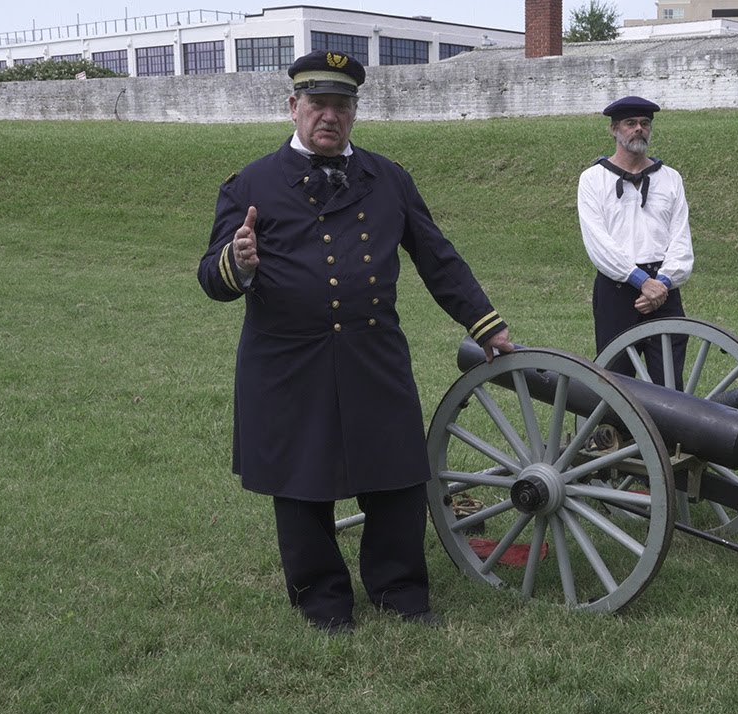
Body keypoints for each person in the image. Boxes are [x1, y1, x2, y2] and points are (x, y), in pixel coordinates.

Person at [197, 49, 513, 634]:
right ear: (293, 107)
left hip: (372, 353)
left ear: (354, 113)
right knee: (301, 483)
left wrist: (485, 323)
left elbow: (437, 258)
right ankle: (321, 600)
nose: (329, 115)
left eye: (342, 104)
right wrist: (236, 264)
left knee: (394, 475)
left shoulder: (388, 178)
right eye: (318, 103)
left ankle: (400, 591)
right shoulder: (251, 184)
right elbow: (210, 280)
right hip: (288, 361)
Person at [577, 96, 694, 389]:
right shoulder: (593, 180)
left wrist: (662, 283)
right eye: (630, 124)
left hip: (664, 290)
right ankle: (614, 435)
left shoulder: (670, 179)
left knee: (670, 388)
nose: (638, 129)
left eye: (644, 123)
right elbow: (598, 242)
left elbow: (680, 238)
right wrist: (641, 280)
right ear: (614, 130)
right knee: (616, 382)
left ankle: (668, 436)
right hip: (618, 289)